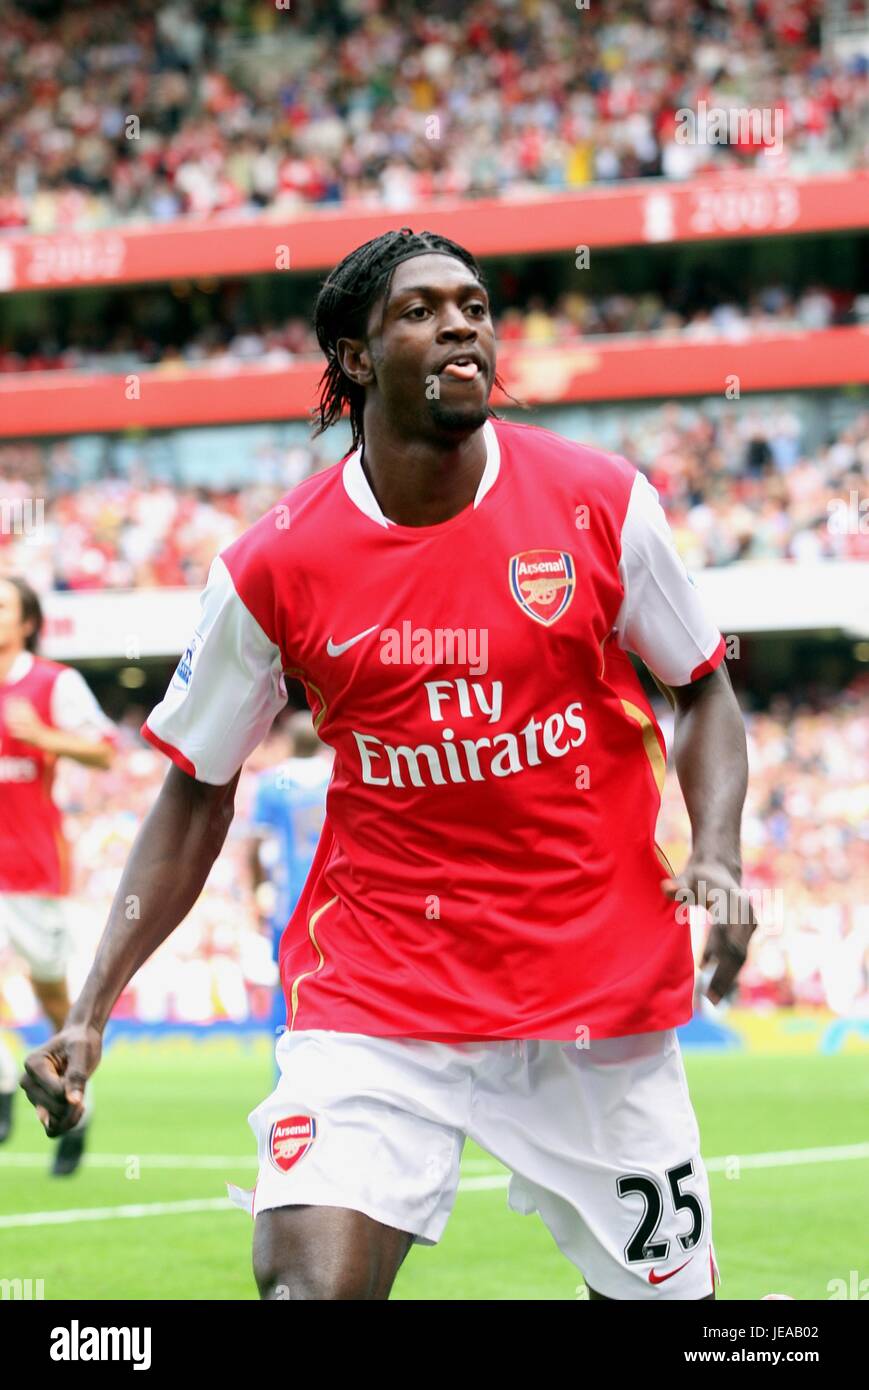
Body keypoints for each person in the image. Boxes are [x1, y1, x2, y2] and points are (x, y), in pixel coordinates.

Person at [22, 228, 755, 1296]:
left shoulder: (599, 501)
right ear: (356, 356)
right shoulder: (276, 563)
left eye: (473, 304)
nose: (460, 323)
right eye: (420, 310)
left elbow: (701, 685)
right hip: (380, 991)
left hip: (591, 989)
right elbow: (195, 790)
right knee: (304, 1289)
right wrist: (88, 1010)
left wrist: (721, 853)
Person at [0, 576, 116, 1173]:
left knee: (52, 1000)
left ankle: (76, 1104)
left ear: (26, 622)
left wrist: (41, 736)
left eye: (3, 607)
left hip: (30, 870)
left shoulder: (52, 683)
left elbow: (105, 749)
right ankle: (2, 1086)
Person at [247, 711, 332, 1054]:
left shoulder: (271, 783)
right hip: (334, 900)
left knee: (287, 993)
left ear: (289, 742)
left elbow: (256, 847)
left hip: (290, 902)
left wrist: (256, 892)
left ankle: (285, 1083)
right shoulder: (338, 775)